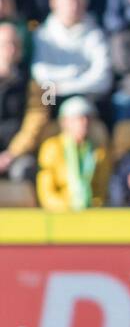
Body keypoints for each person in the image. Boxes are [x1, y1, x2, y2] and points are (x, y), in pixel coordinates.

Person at [36, 95, 111, 210]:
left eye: (88, 118)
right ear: (65, 122)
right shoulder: (52, 147)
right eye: (79, 119)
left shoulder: (98, 152)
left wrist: (92, 206)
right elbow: (46, 190)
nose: (84, 123)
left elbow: (102, 189)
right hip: (60, 212)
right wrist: (66, 208)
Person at [0, 21, 46, 183]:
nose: (11, 50)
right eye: (5, 45)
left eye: (15, 44)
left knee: (26, 169)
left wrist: (12, 153)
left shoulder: (35, 83)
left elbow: (37, 120)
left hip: (17, 155)